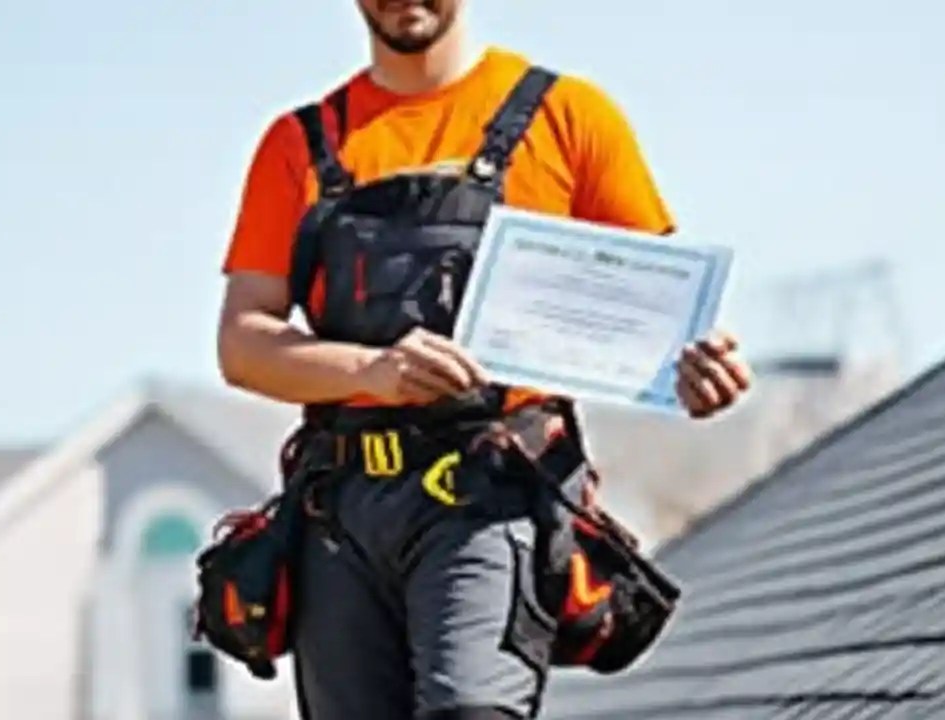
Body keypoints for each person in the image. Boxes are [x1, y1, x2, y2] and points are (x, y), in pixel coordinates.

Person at [214, 1, 752, 718]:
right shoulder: (299, 144)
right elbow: (243, 343)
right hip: (341, 513)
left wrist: (697, 368)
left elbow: (657, 310)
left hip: (492, 494)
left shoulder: (569, 116)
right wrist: (372, 373)